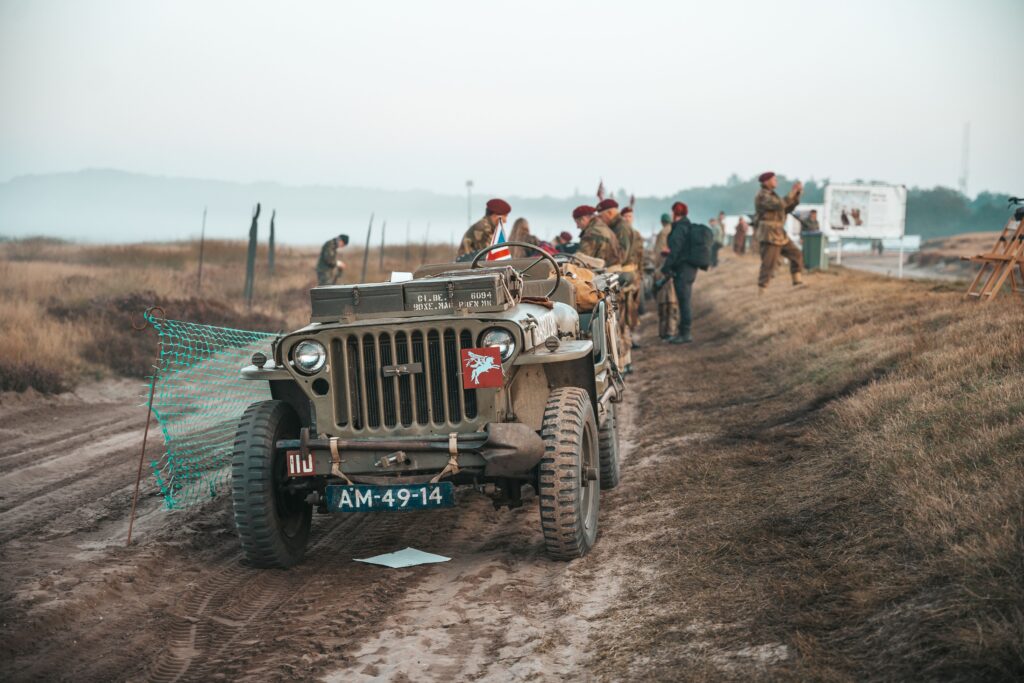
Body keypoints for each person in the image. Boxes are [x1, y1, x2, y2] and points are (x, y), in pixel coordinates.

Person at [754, 171, 804, 291]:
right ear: (766, 182)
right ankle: (762, 290)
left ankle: (797, 283)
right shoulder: (762, 196)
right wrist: (792, 192)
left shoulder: (772, 195)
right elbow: (779, 205)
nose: (776, 181)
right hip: (769, 234)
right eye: (774, 179)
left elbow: (786, 208)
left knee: (796, 254)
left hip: (779, 232)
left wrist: (797, 194)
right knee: (769, 264)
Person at [661, 202, 698, 344]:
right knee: (685, 300)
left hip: (683, 270)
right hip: (689, 269)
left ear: (675, 213)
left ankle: (685, 333)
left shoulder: (680, 227)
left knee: (684, 302)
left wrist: (666, 267)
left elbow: (675, 250)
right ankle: (684, 332)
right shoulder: (687, 225)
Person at [621, 206, 645, 349]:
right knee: (623, 309)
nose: (627, 219)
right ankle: (626, 339)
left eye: (630, 216)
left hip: (634, 274)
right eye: (625, 216)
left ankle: (632, 337)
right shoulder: (618, 235)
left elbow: (640, 256)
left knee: (633, 309)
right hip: (623, 275)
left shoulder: (637, 235)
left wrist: (640, 274)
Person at [654, 213, 679, 339]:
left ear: (662, 222)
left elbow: (657, 255)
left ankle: (663, 333)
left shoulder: (662, 233)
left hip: (663, 270)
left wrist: (657, 270)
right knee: (673, 305)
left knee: (663, 306)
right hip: (675, 271)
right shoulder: (676, 231)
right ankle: (671, 331)